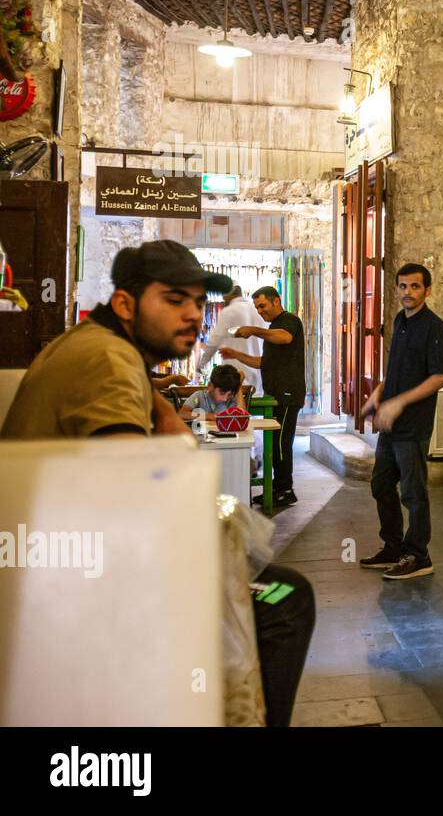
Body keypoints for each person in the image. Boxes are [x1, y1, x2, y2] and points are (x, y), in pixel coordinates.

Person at [0, 240, 315, 727]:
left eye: (197, 301)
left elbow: (158, 430)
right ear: (126, 303)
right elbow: (139, 493)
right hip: (72, 591)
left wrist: (164, 412)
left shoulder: (100, 343)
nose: (192, 314)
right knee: (284, 598)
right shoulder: (108, 362)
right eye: (173, 300)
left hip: (71, 565)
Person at [358, 263, 443, 580]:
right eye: (402, 286)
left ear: (427, 290)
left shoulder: (433, 327)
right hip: (391, 423)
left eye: (414, 286)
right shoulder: (399, 321)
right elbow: (396, 368)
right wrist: (379, 393)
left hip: (413, 425)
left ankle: (418, 555)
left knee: (413, 493)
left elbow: (440, 376)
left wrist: (399, 402)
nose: (407, 292)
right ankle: (394, 548)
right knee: (381, 484)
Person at [220, 285, 305, 509]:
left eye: (263, 306)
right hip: (275, 393)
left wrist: (253, 330)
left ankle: (286, 490)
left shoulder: (289, 321)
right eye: (257, 307)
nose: (260, 311)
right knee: (275, 444)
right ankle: (276, 488)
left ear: (276, 300)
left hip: (288, 394)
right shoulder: (273, 328)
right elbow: (263, 363)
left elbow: (285, 338)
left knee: (281, 444)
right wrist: (235, 354)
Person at [198, 285, 264, 394]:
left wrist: (201, 364)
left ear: (228, 294)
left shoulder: (228, 312)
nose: (223, 299)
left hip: (234, 379)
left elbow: (214, 341)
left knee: (234, 410)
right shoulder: (257, 311)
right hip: (257, 378)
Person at [179, 363, 246, 422]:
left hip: (226, 436)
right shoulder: (199, 397)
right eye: (222, 393)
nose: (225, 399)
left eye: (229, 394)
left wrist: (238, 386)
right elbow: (182, 414)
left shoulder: (232, 399)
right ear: (210, 386)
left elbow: (242, 417)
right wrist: (209, 416)